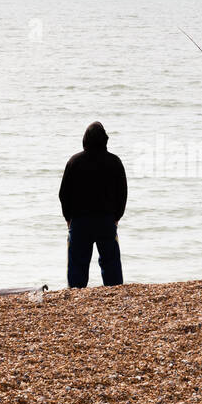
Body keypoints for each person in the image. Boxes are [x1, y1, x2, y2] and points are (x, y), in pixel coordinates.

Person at [59, 121, 127, 288]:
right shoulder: (114, 162)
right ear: (105, 140)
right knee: (110, 262)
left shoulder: (74, 162)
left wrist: (68, 217)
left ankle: (76, 293)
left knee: (77, 264)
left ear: (85, 140)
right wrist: (117, 216)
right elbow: (122, 193)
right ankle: (114, 292)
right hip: (106, 219)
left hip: (80, 221)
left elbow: (63, 194)